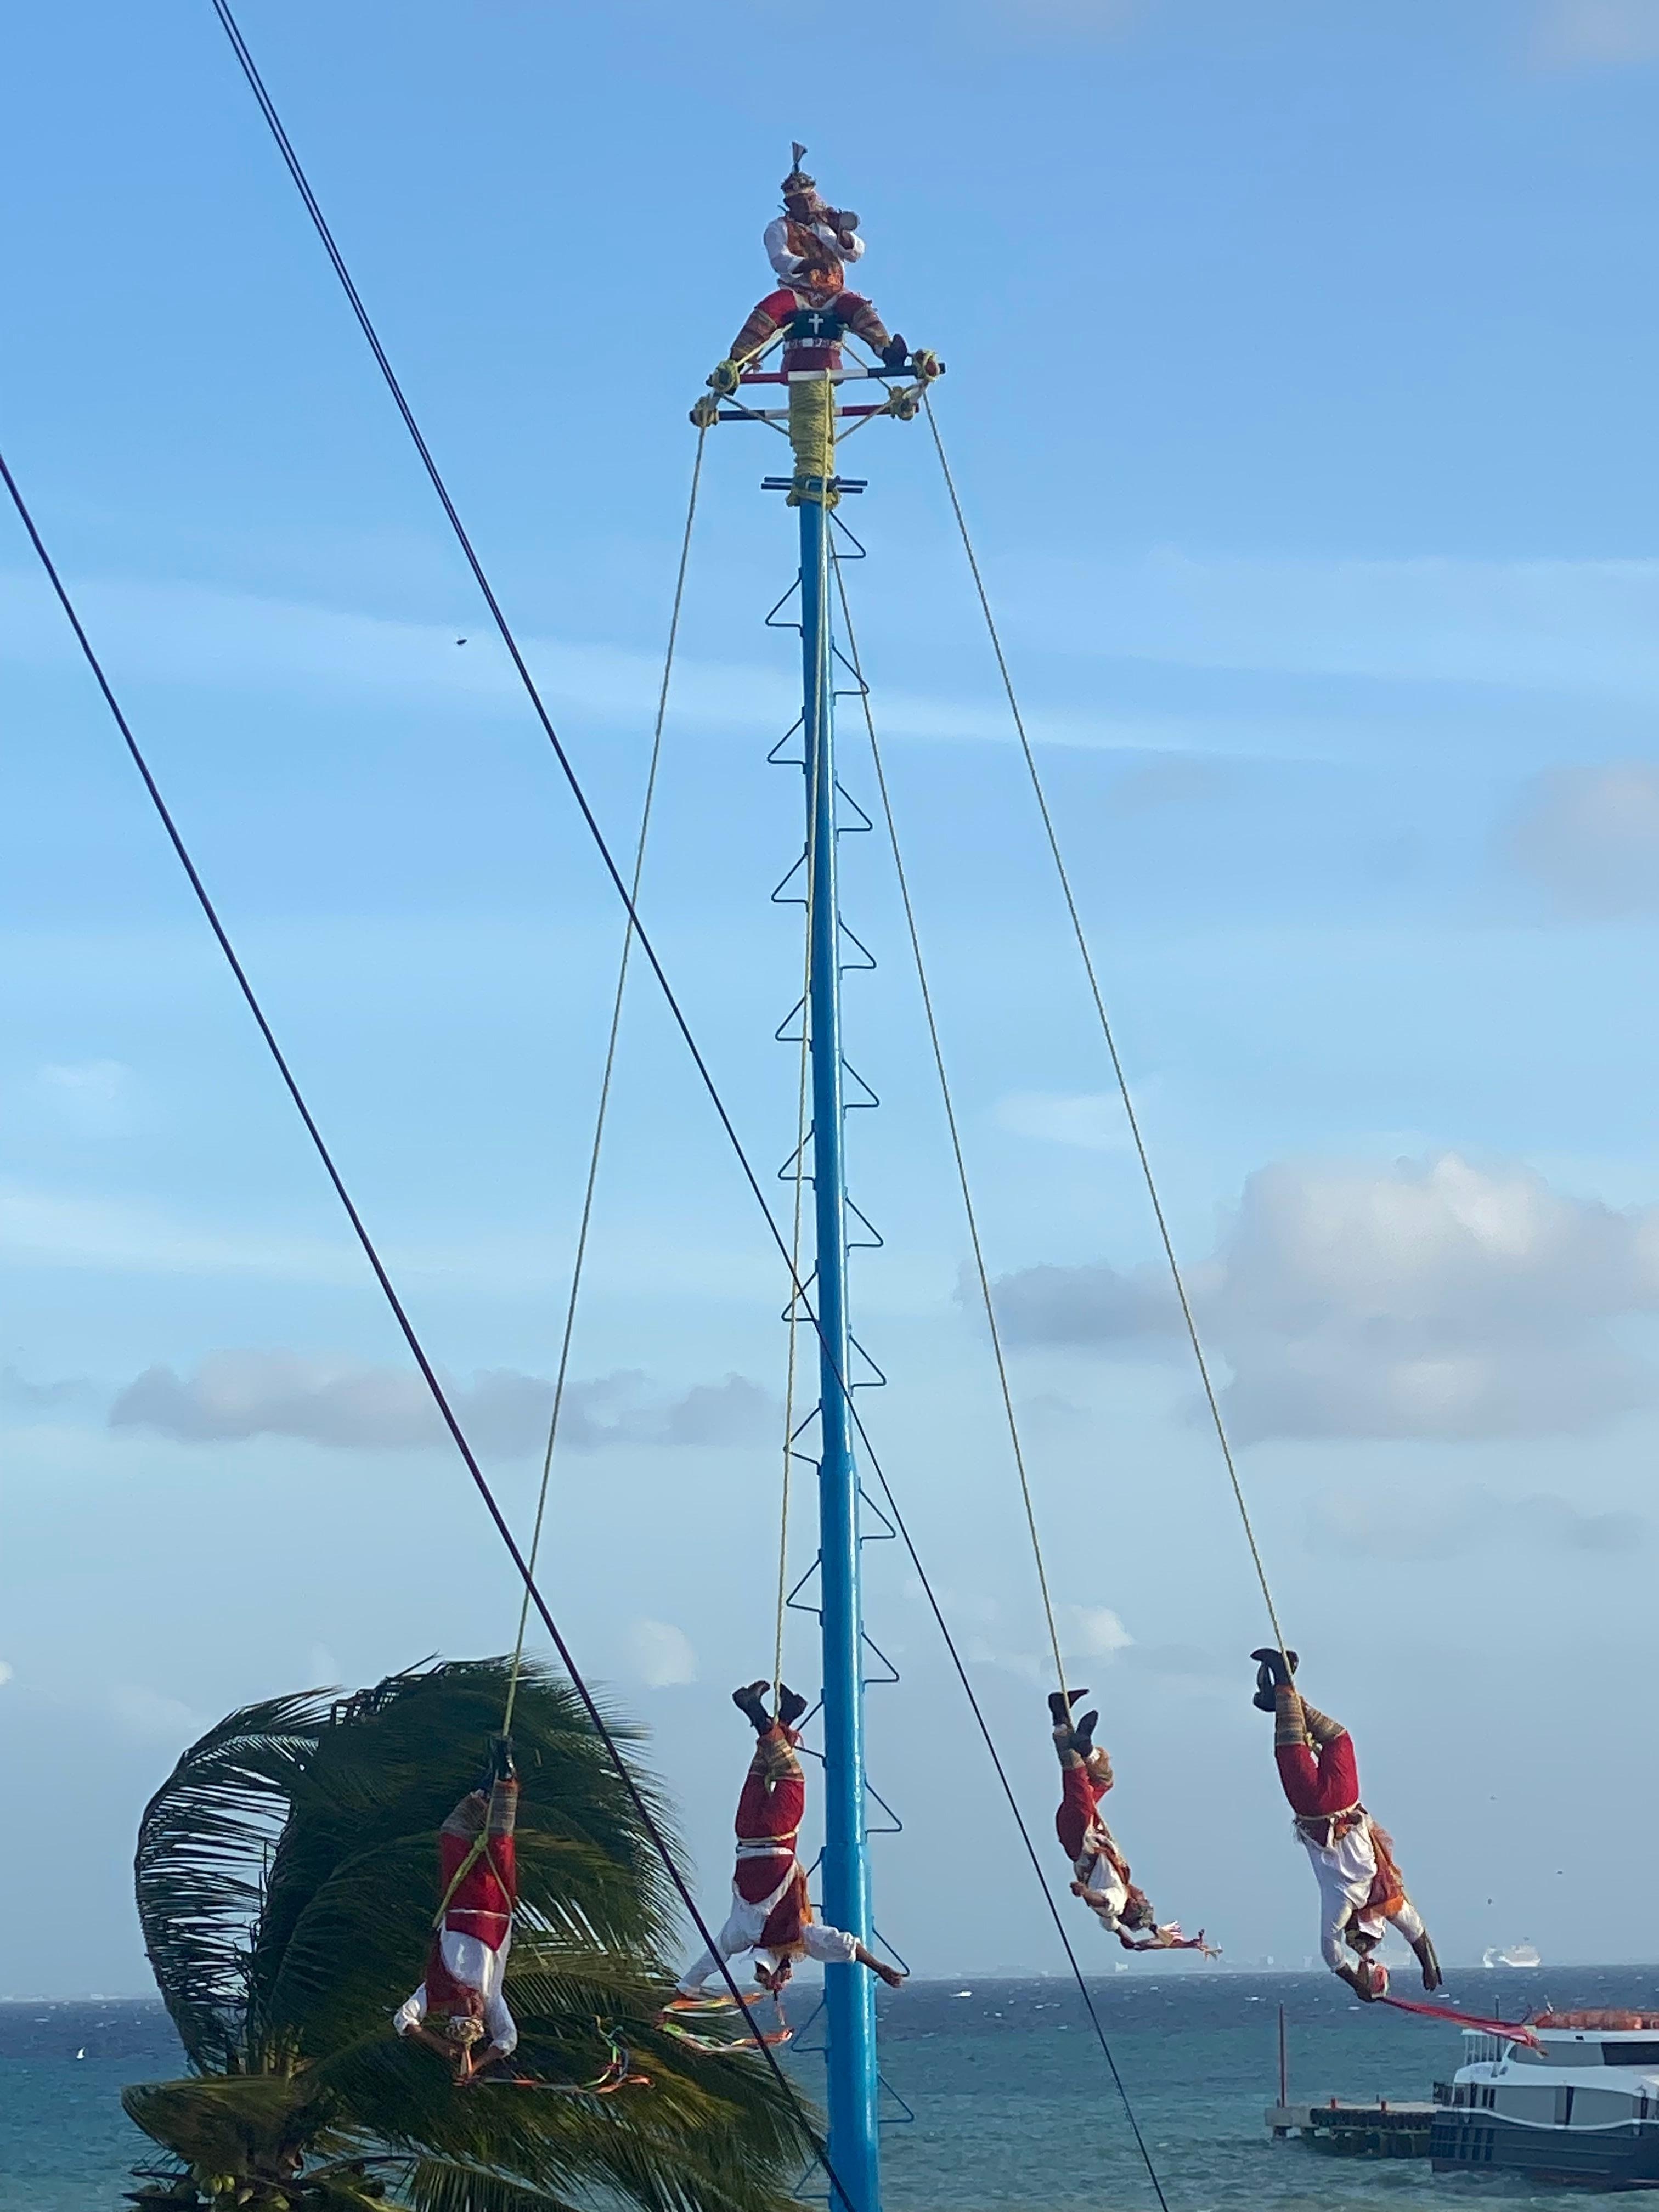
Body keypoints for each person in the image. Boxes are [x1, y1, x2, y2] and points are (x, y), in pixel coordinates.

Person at [673, 1681, 906, 2000]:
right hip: (745, 1835)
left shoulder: (797, 1934)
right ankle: (788, 1715)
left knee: (788, 1770)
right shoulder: (738, 1934)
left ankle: (752, 1707)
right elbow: (712, 1958)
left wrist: (880, 1968)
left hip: (777, 1834)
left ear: (782, 1963)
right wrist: (689, 1987)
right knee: (763, 1763)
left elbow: (847, 1944)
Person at [1251, 1649, 1441, 2001]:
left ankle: (1283, 1691)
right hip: (1318, 1806)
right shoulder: (1345, 1905)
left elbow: (1416, 1933)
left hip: (1341, 1799)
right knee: (1303, 1744)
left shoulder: (1388, 1899)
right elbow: (1331, 1955)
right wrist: (1358, 1985)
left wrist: (1429, 1964)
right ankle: (1281, 1688)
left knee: (1338, 1739)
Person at [711, 147, 911, 391]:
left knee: (859, 308)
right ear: (789, 203)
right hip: (798, 292)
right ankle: (736, 364)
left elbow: (855, 253)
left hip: (832, 293)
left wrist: (841, 232)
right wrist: (808, 264)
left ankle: (887, 351)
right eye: (802, 201)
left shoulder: (825, 226)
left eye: (811, 199)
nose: (809, 205)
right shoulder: (778, 228)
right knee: (770, 309)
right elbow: (780, 260)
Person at [394, 1737, 520, 2079]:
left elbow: (403, 2019)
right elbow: (508, 2039)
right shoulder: (492, 1999)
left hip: (461, 1902)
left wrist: (439, 2045)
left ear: (454, 2012)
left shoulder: (437, 1992)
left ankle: (488, 1784)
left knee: (454, 1831)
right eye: (475, 2011)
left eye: (466, 2009)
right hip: (496, 1908)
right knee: (500, 1840)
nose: (472, 2004)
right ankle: (504, 1774)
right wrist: (475, 2064)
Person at [1050, 1690, 1213, 1953]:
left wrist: (1084, 1892)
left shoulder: (1117, 1897)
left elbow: (1104, 1902)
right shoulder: (1113, 1916)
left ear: (1134, 1905)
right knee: (1103, 1781)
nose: (1143, 1894)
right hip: (1083, 1827)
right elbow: (1120, 1932)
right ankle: (1075, 1731)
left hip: (1078, 1832)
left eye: (1143, 1899)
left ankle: (1062, 1723)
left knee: (1074, 1771)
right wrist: (1141, 1939)